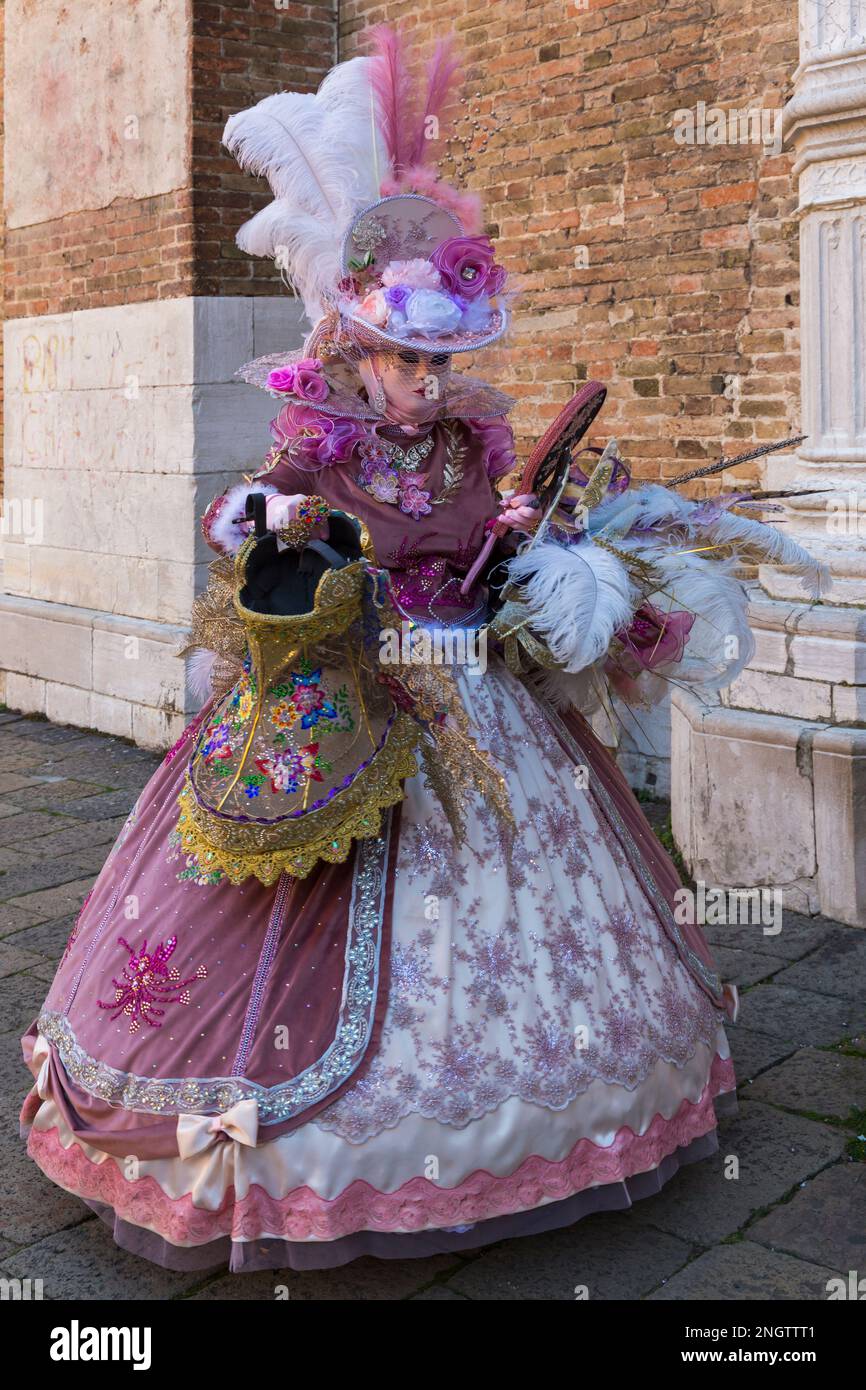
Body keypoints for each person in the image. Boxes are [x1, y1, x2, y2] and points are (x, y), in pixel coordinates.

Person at [23, 29, 812, 1275]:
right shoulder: (322, 439)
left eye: (444, 364)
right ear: (355, 347)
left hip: (483, 706)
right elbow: (245, 517)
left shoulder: (470, 445)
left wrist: (529, 546)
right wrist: (288, 524)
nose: (427, 387)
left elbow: (478, 540)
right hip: (357, 698)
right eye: (406, 361)